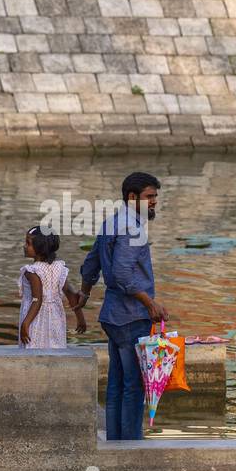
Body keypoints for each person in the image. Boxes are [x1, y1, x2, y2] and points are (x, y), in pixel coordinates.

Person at [77, 172, 168, 441]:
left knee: (117, 383)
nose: (154, 202)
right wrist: (150, 303)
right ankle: (131, 446)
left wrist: (84, 293)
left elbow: (91, 263)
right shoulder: (133, 228)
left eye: (155, 197)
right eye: (149, 197)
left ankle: (117, 443)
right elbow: (122, 275)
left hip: (113, 317)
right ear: (132, 197)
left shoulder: (112, 222)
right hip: (130, 317)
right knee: (135, 386)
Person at [19, 226, 86, 349]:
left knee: (33, 348)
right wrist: (80, 318)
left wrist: (25, 324)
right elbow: (70, 293)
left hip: (35, 320)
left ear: (39, 248)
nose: (24, 246)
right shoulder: (59, 268)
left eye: (28, 243)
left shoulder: (32, 271)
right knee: (55, 347)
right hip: (55, 318)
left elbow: (37, 300)